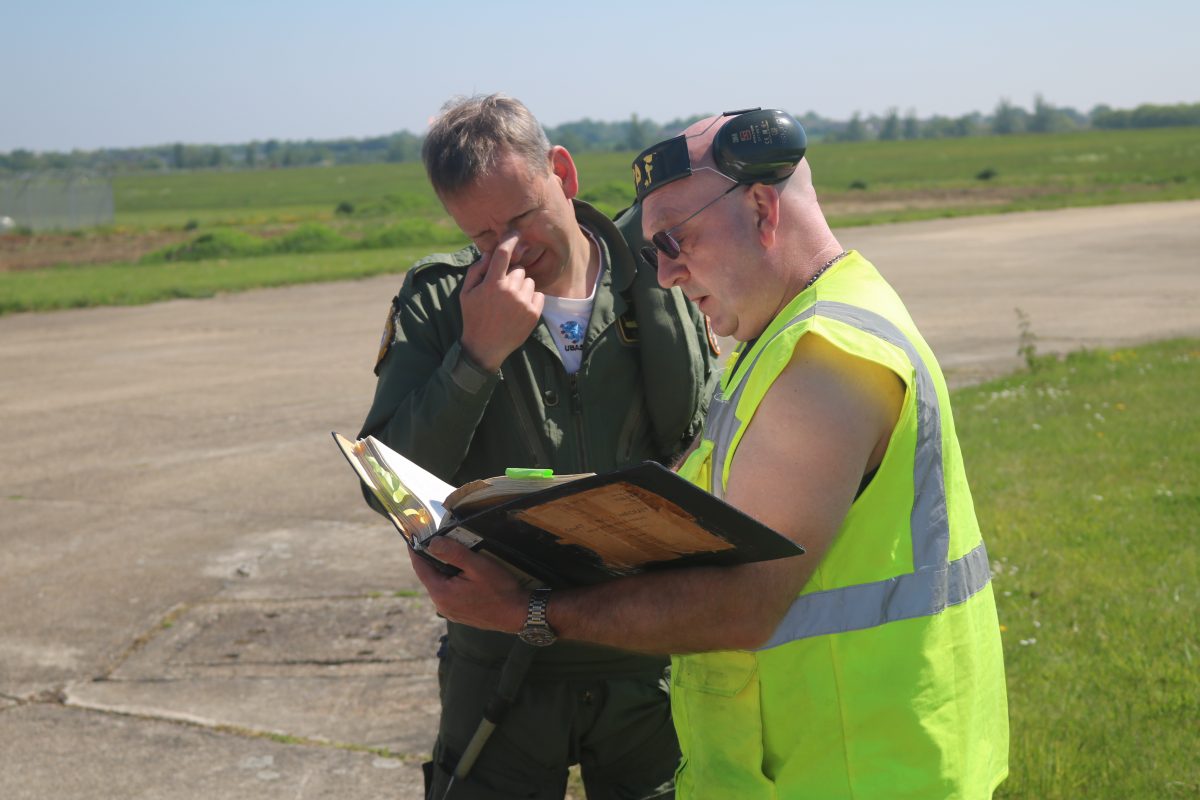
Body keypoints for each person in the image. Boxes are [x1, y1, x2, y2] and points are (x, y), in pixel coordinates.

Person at [409, 108, 1010, 799]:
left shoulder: (825, 360)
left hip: (853, 770)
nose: (664, 273)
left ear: (761, 209)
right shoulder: (787, 332)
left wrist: (529, 610)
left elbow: (744, 607)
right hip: (827, 757)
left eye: (676, 238)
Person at [358, 94, 716, 799]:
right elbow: (386, 486)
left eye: (522, 218)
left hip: (645, 652)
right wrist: (476, 356)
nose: (510, 250)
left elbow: (708, 440)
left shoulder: (662, 278)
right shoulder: (441, 302)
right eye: (483, 235)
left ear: (563, 172)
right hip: (499, 661)